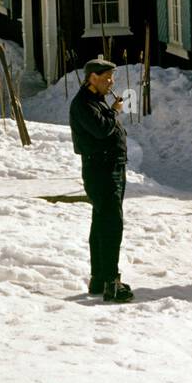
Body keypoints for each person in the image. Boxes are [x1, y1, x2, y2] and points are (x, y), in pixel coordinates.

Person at [69, 58, 132, 303]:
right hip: (101, 170)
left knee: (101, 224)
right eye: (106, 78)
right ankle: (110, 282)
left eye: (112, 78)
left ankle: (98, 279)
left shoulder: (95, 100)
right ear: (92, 78)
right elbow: (102, 129)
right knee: (111, 225)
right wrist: (114, 111)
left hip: (110, 167)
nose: (111, 82)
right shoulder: (83, 103)